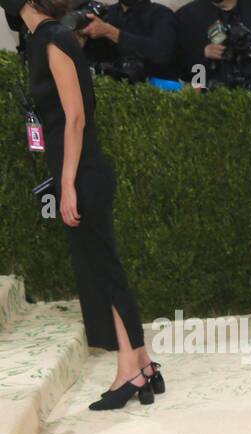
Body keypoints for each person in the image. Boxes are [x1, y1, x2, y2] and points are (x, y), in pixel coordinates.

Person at [6, 0, 162, 410]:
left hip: (82, 174)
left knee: (103, 269)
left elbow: (75, 117)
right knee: (102, 267)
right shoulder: (47, 38)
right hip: (78, 172)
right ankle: (142, 363)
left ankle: (129, 368)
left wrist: (69, 185)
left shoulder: (53, 39)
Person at [77, 0, 178, 80]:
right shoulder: (105, 13)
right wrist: (80, 39)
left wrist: (110, 32)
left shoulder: (161, 15)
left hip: (147, 93)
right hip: (102, 88)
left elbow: (162, 52)